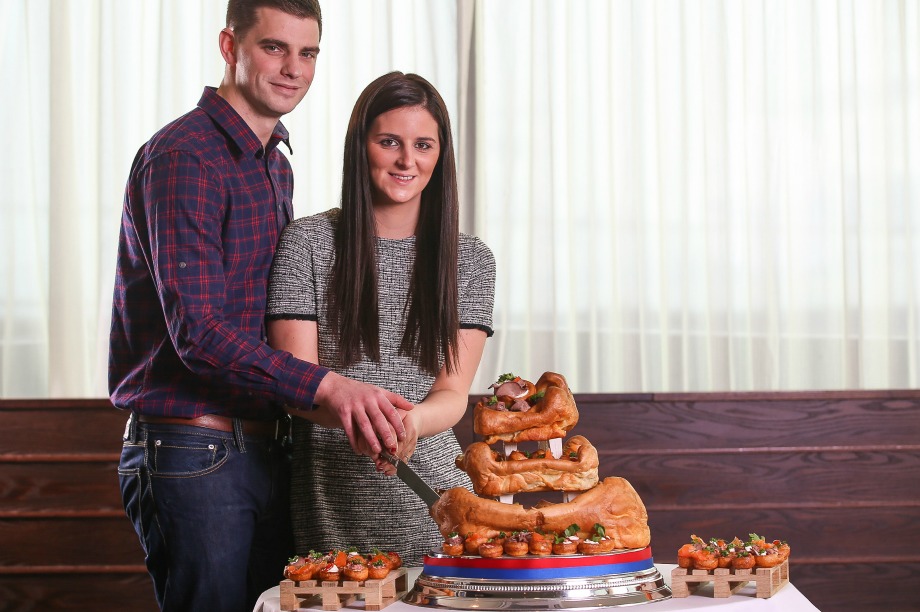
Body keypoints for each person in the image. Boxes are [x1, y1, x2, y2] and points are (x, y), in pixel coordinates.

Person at [109, 3, 414, 611]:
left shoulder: (274, 162)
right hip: (193, 449)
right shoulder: (184, 156)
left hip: (266, 447)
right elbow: (198, 332)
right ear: (230, 45)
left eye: (308, 53)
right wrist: (330, 388)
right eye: (275, 48)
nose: (293, 69)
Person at [265, 71, 496, 566]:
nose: (407, 160)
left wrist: (409, 424)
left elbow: (452, 395)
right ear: (360, 146)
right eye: (389, 141)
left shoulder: (472, 260)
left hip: (434, 498)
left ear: (440, 154)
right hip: (329, 499)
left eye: (423, 145)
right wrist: (365, 422)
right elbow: (294, 385)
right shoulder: (307, 242)